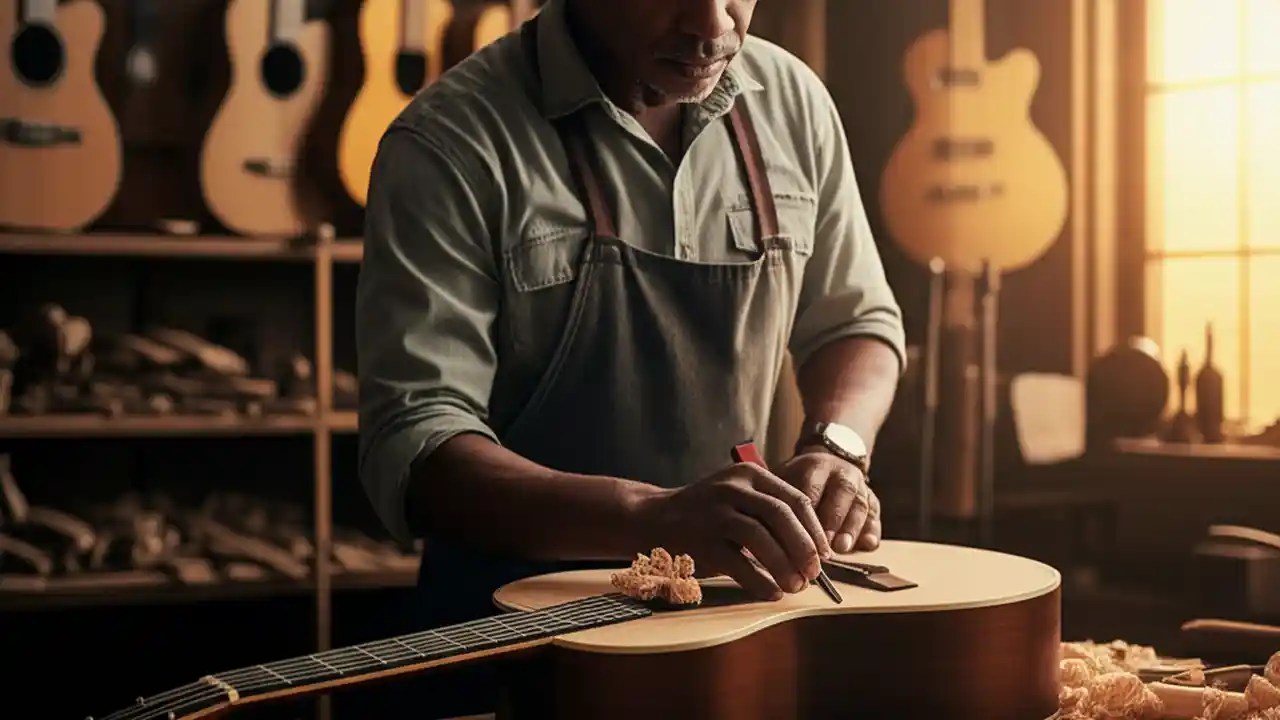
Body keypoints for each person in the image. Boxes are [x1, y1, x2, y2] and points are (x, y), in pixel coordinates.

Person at [356, 0, 906, 715]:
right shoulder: (450, 142)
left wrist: (837, 446)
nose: (714, 26)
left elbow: (857, 322)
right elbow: (420, 449)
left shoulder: (793, 102)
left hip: (731, 643)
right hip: (516, 649)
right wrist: (652, 517)